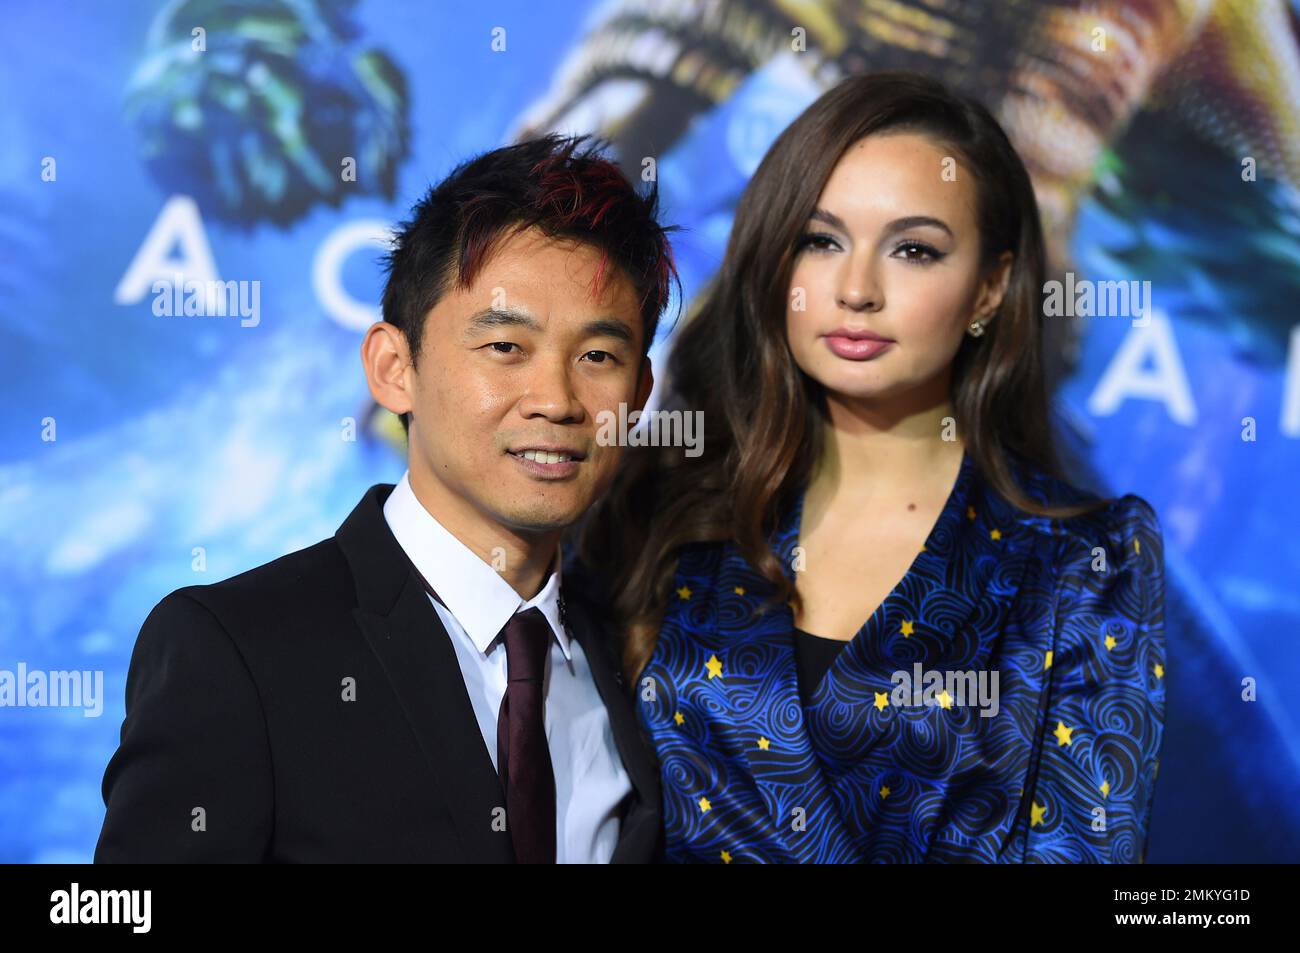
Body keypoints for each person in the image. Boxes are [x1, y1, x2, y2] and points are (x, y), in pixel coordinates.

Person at [577, 72, 1167, 863]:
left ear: (990, 287)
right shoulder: (662, 502)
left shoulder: (1083, 562)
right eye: (821, 240)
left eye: (915, 250)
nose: (856, 290)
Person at [95, 135, 673, 863]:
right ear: (394, 368)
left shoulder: (643, 655)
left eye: (598, 357)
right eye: (505, 348)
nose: (556, 400)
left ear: (640, 395)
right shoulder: (234, 651)